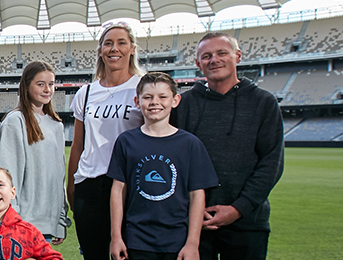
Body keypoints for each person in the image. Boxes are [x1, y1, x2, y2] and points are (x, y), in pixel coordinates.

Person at [171, 32, 284, 260]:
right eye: (206, 56)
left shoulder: (263, 102)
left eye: (222, 53)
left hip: (248, 222)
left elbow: (271, 162)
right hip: (193, 223)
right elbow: (173, 161)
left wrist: (238, 208)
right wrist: (192, 208)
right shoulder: (184, 105)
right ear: (198, 64)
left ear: (237, 56)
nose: (214, 60)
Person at [107, 72, 217, 260]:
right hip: (136, 239)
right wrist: (116, 237)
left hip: (177, 240)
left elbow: (197, 195)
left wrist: (192, 243)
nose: (154, 102)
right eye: (148, 97)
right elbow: (118, 190)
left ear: (175, 100)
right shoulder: (126, 141)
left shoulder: (190, 144)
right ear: (137, 101)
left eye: (162, 97)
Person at [67, 22, 145, 260]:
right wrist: (72, 187)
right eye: (108, 43)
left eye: (122, 43)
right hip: (89, 185)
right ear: (100, 50)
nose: (114, 48)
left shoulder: (143, 87)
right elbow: (78, 145)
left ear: (132, 48)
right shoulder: (86, 93)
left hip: (129, 185)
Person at [0, 60, 69, 244]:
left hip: (49, 223)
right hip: (22, 222)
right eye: (40, 84)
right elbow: (7, 174)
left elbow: (59, 177)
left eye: (51, 84)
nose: (47, 89)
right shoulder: (15, 121)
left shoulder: (56, 125)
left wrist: (60, 220)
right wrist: (11, 217)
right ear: (27, 86)